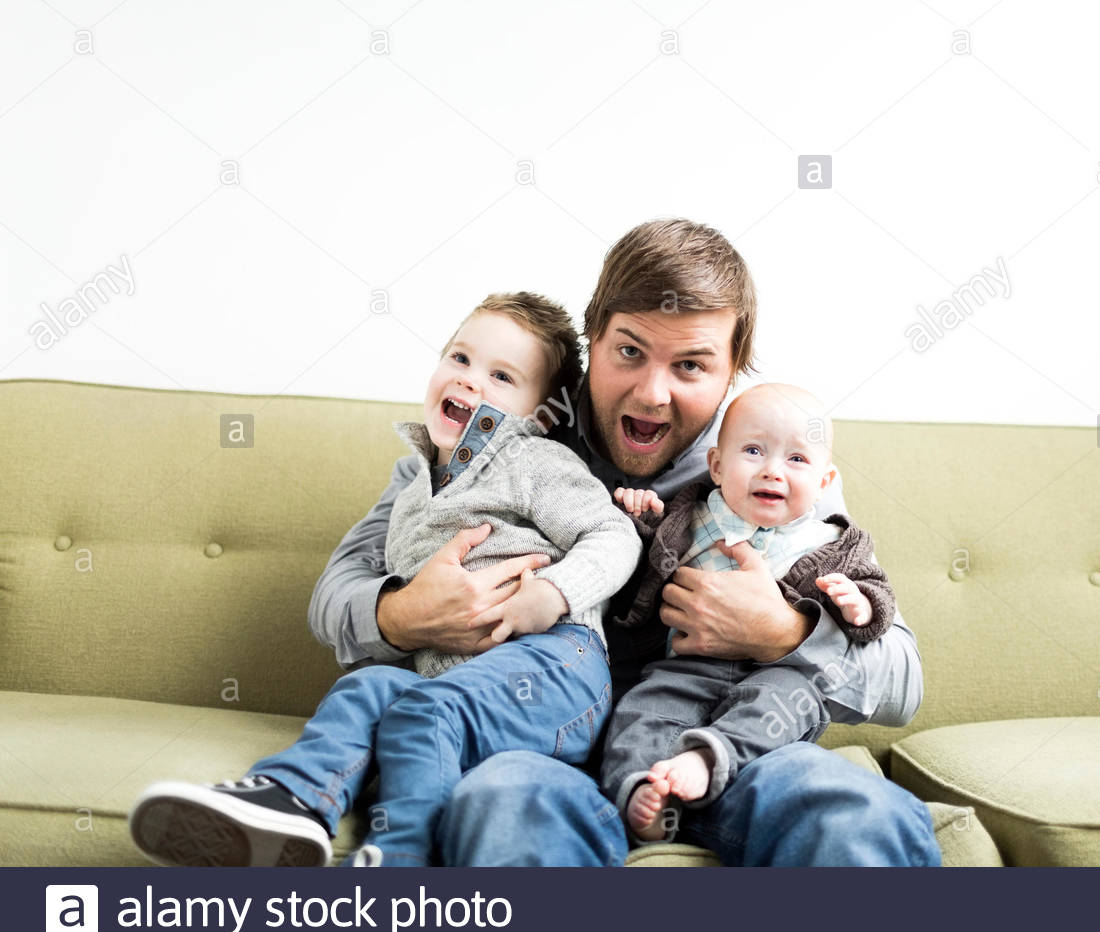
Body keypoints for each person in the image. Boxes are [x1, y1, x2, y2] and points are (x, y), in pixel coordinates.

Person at [313, 219, 940, 866]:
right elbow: (336, 592)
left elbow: (901, 682)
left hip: (717, 752)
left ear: (732, 376)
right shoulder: (504, 431)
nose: (652, 393)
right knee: (503, 802)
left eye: (691, 365)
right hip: (536, 753)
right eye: (630, 352)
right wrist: (403, 612)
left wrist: (783, 631)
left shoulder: (768, 468)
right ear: (594, 340)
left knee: (855, 808)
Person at [128, 293, 641, 866]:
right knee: (364, 690)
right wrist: (403, 612)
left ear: (538, 416)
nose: (470, 381)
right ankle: (293, 801)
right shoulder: (413, 483)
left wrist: (553, 594)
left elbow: (615, 535)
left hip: (553, 664)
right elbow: (338, 592)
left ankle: (399, 856)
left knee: (427, 711)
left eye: (501, 376)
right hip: (451, 679)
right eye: (460, 358)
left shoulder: (535, 463)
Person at [603, 382, 896, 842]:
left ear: (824, 482)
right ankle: (643, 787)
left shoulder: (834, 542)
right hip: (685, 668)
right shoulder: (691, 514)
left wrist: (860, 604)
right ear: (717, 466)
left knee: (788, 704)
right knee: (642, 710)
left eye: (797, 459)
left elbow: (876, 591)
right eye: (754, 451)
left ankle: (709, 757)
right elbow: (645, 566)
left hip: (775, 674)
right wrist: (640, 519)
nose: (773, 472)